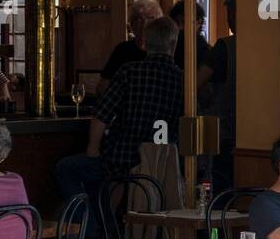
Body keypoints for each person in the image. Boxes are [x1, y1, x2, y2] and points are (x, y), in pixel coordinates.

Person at [54, 16, 184, 205]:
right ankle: (105, 222)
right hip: (163, 167)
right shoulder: (182, 81)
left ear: (145, 43)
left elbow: (101, 115)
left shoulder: (129, 72)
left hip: (120, 162)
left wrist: (93, 149)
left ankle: (94, 226)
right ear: (173, 45)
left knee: (65, 168)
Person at [198, 0, 238, 194]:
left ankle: (217, 227)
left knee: (221, 194)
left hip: (224, 131)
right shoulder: (271, 45)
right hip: (256, 134)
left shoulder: (224, 48)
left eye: (230, 16)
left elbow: (195, 84)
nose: (229, 21)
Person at [93, 0, 162, 97]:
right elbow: (102, 88)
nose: (143, 24)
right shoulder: (122, 50)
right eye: (138, 19)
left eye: (150, 18)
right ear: (132, 25)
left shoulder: (164, 50)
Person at [168, 0, 211, 73]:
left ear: (198, 22)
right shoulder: (168, 45)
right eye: (176, 22)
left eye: (185, 22)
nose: (180, 27)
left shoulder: (203, 48)